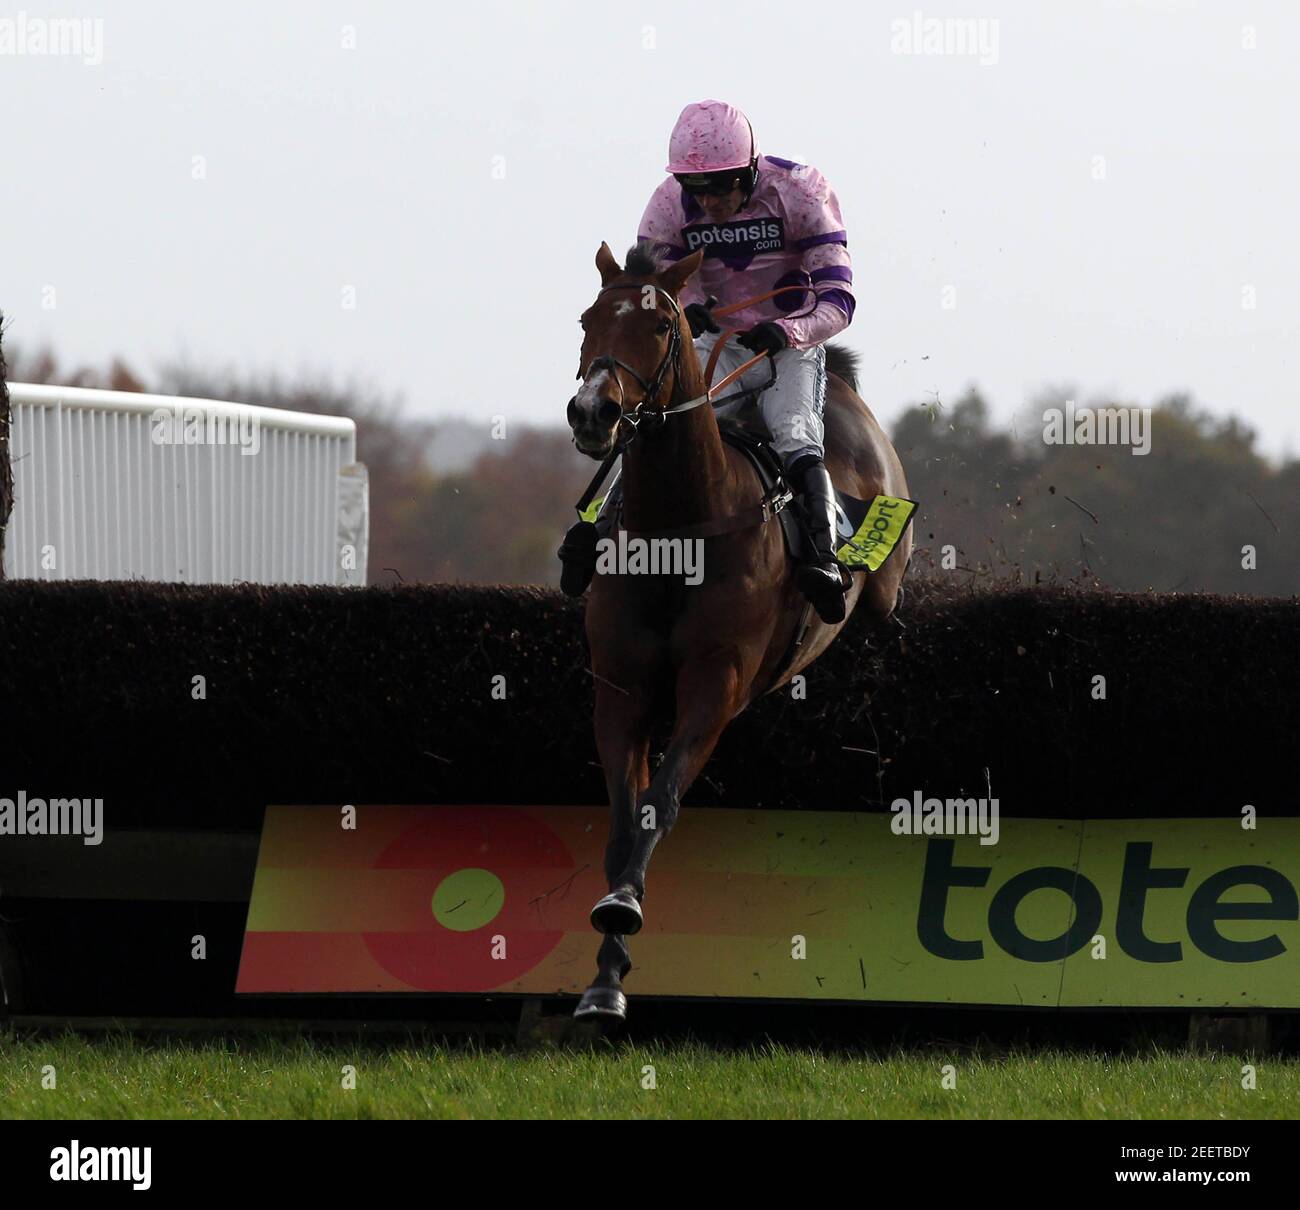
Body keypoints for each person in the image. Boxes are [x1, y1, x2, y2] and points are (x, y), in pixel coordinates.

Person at [561, 99, 857, 623]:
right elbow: (657, 289)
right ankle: (598, 529)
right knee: (661, 424)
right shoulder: (666, 205)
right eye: (697, 189)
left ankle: (824, 557)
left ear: (749, 169)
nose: (710, 200)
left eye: (722, 186)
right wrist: (688, 310)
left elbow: (838, 300)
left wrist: (788, 330)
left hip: (790, 345)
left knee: (793, 431)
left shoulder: (802, 190)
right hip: (715, 343)